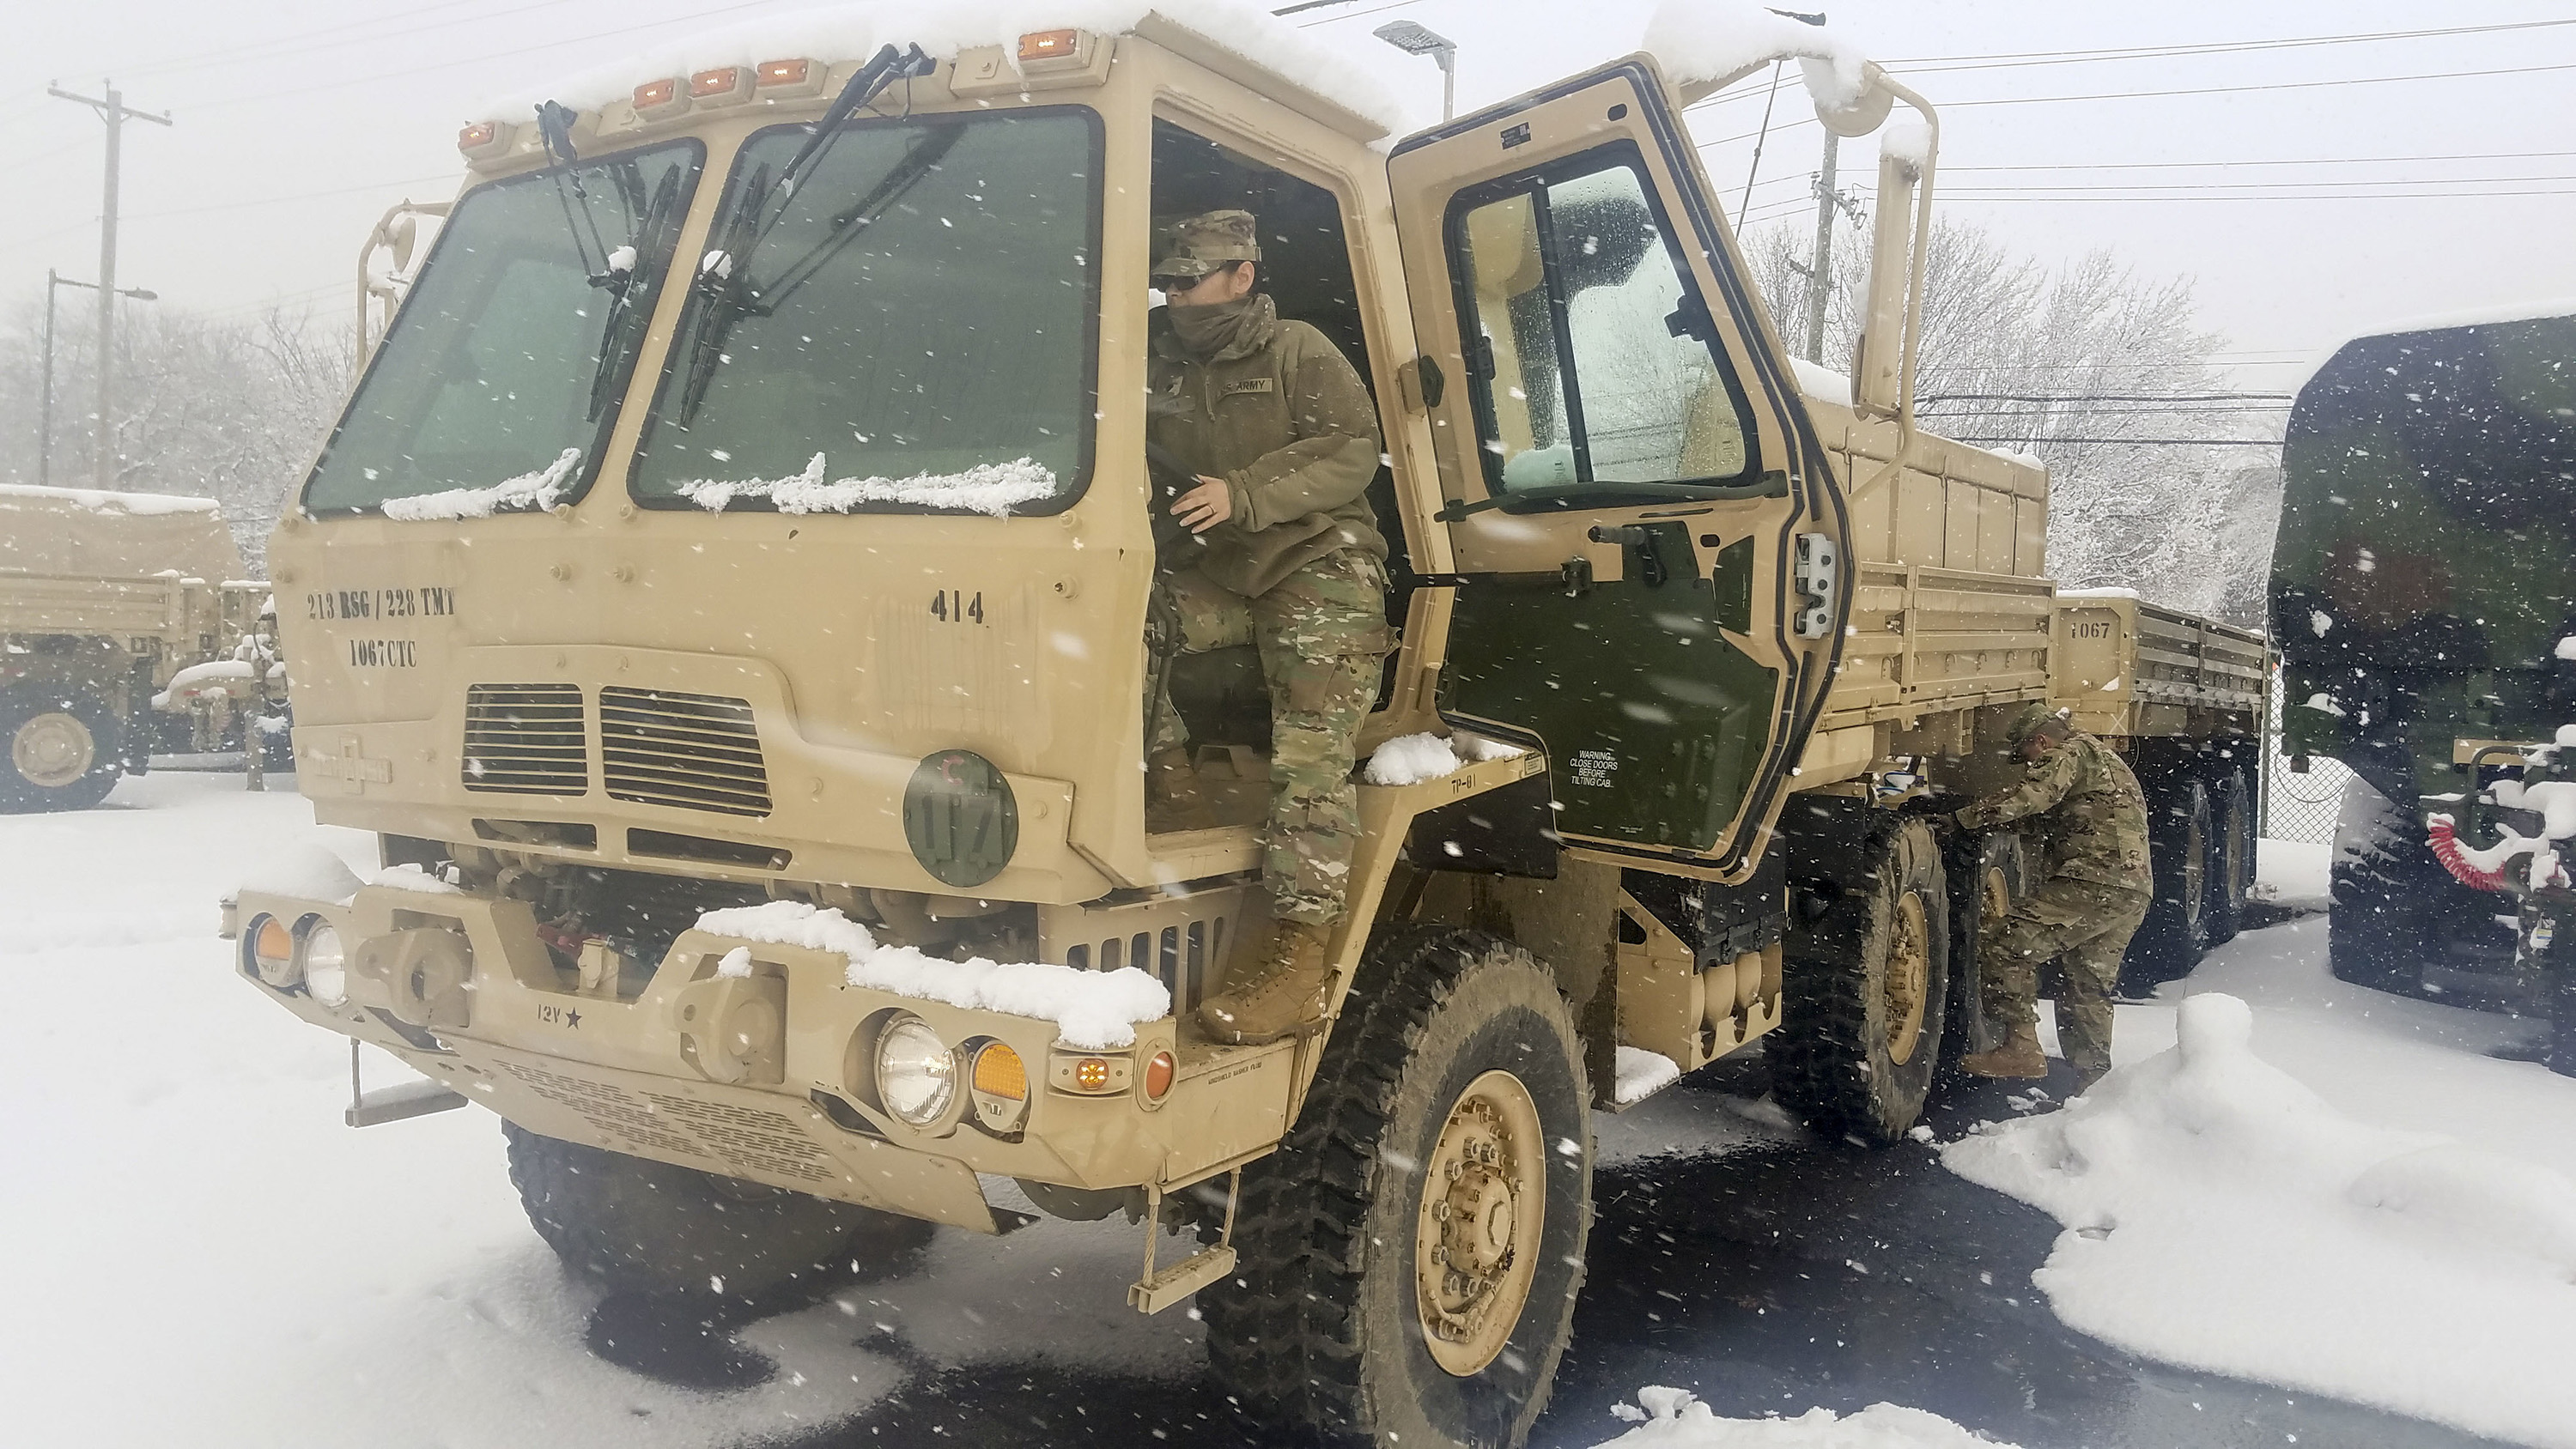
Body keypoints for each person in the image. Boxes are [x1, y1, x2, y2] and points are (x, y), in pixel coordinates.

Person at [1139, 209, 1391, 1046]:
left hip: (1318, 561)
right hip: (1220, 568)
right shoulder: (1156, 356)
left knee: (1313, 746)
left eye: (1193, 279)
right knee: (1119, 612)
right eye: (1169, 280)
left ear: (1244, 275)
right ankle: (1166, 765)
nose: (1177, 295)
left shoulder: (1299, 352)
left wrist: (1245, 491)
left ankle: (1299, 957)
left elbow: (1352, 448)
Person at [1951, 701, 2154, 1090]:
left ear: (2040, 741)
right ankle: (2094, 1087)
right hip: (2131, 889)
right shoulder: (2103, 759)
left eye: (2026, 755)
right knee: (2086, 987)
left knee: (2007, 946)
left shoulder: (2067, 752)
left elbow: (2031, 796)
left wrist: (1962, 820)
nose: (2026, 765)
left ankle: (2021, 1047)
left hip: (2092, 882)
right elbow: (2051, 818)